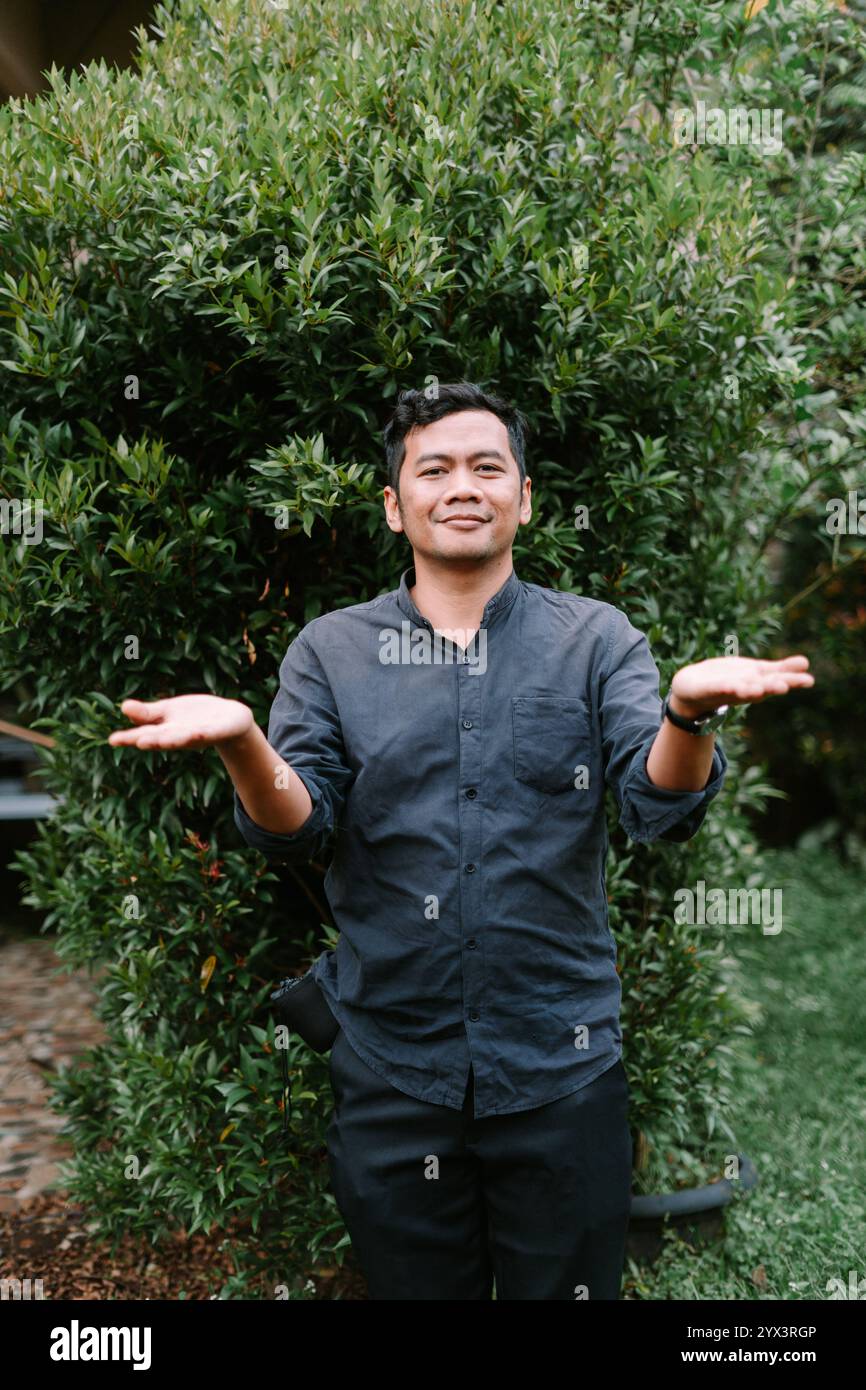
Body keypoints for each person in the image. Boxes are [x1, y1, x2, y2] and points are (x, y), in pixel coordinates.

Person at [108, 381, 814, 1300]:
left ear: (525, 496)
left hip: (562, 1069)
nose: (463, 486)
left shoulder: (596, 640)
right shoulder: (331, 651)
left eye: (489, 466)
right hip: (394, 1067)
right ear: (396, 507)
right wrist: (246, 743)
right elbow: (299, 828)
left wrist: (690, 716)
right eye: (432, 469)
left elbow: (656, 806)